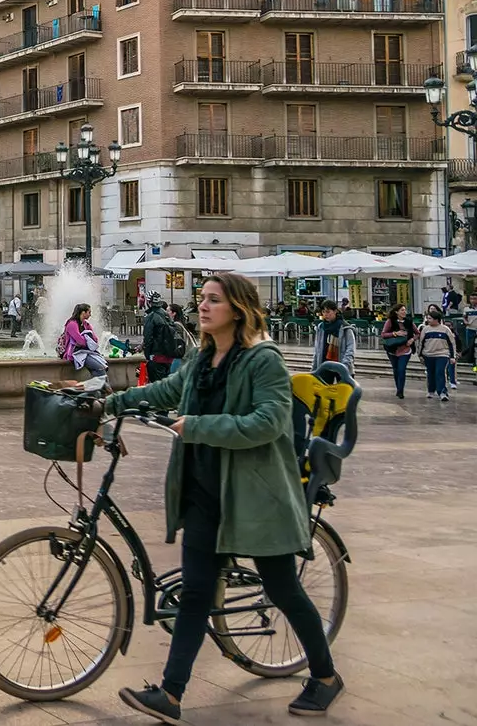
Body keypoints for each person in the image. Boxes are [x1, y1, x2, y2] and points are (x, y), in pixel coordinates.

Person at [108, 272, 342, 723]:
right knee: (196, 594)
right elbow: (164, 391)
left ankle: (326, 676)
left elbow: (268, 422)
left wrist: (198, 426)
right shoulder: (201, 358)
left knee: (283, 589)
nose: (203, 306)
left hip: (254, 498)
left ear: (237, 308)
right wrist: (110, 400)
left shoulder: (263, 361)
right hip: (203, 493)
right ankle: (171, 694)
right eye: (202, 299)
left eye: (213, 300)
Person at [418, 305, 457, 402]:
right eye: (428, 318)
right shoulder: (425, 329)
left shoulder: (445, 329)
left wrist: (453, 356)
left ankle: (442, 392)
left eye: (430, 318)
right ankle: (431, 390)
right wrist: (420, 355)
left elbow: (452, 344)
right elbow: (421, 343)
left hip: (442, 355)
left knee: (440, 372)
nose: (428, 320)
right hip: (428, 355)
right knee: (430, 373)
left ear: (436, 319)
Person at [379, 303, 415, 399]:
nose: (404, 312)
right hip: (393, 349)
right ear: (396, 312)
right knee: (396, 370)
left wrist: (412, 340)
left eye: (405, 310)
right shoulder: (390, 321)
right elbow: (383, 334)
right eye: (402, 310)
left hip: (405, 349)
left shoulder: (409, 321)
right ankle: (398, 387)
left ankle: (400, 391)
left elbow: (417, 333)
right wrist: (395, 333)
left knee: (401, 369)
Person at [60, 304, 107, 377]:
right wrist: (88, 340)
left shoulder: (85, 324)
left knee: (101, 367)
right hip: (75, 353)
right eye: (89, 312)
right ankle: (104, 387)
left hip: (85, 352)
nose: (90, 315)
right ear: (83, 313)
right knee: (100, 368)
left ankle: (98, 387)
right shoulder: (72, 324)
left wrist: (88, 339)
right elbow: (81, 341)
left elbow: (95, 340)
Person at [311, 299, 355, 373]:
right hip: (324, 365)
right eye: (323, 312)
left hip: (342, 366)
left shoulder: (345, 328)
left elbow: (350, 348)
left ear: (335, 311)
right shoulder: (321, 327)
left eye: (328, 312)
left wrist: (345, 365)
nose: (325, 314)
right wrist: (314, 368)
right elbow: (317, 349)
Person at [142, 293, 178, 384]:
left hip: (156, 356)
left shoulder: (151, 316)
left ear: (149, 302)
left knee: (156, 386)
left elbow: (148, 338)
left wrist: (147, 356)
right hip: (169, 356)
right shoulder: (166, 314)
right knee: (166, 385)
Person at [166, 304, 195, 377]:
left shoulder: (176, 325)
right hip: (189, 356)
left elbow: (177, 342)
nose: (166, 313)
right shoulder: (181, 323)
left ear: (174, 313)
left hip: (182, 357)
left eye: (168, 311)